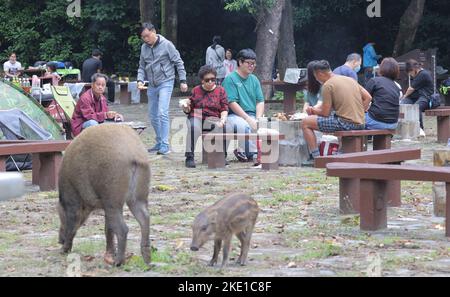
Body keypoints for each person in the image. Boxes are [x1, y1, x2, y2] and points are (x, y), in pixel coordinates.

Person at [301, 60, 372, 166]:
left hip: (345, 123)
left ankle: (317, 158)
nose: (317, 80)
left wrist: (313, 110)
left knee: (306, 123)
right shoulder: (350, 80)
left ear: (320, 74)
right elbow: (368, 97)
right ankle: (338, 152)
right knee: (335, 117)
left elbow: (325, 113)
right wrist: (360, 112)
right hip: (361, 123)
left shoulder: (328, 85)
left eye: (316, 77)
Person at [137, 22, 188, 155]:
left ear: (154, 31)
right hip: (152, 84)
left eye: (147, 35)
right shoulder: (144, 48)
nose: (146, 39)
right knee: (153, 115)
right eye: (143, 37)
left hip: (166, 81)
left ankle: (165, 145)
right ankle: (159, 141)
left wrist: (183, 80)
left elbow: (178, 62)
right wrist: (139, 80)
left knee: (162, 112)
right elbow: (142, 66)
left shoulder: (167, 45)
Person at [222, 48, 264, 165]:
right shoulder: (230, 79)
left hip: (252, 114)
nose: (252, 66)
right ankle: (253, 154)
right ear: (240, 62)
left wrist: (258, 118)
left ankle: (246, 152)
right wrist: (248, 118)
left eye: (254, 63)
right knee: (245, 126)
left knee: (271, 125)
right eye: (249, 63)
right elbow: (231, 103)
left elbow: (260, 101)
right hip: (233, 115)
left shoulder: (254, 79)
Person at [182, 65, 229, 168]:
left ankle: (221, 156)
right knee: (194, 127)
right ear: (202, 80)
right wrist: (186, 107)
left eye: (213, 79)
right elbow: (190, 108)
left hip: (213, 116)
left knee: (224, 127)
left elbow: (224, 108)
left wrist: (222, 120)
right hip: (197, 114)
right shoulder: (196, 90)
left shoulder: (221, 90)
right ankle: (189, 157)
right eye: (207, 80)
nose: (211, 82)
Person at [365, 58, 402, 130]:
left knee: (355, 120)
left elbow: (362, 98)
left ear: (381, 68)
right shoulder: (396, 86)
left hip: (375, 121)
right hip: (393, 123)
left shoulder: (374, 81)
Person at [400, 59, 434, 135]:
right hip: (415, 97)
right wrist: (404, 99)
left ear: (413, 69)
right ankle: (405, 128)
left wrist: (404, 96)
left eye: (409, 72)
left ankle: (420, 129)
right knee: (403, 104)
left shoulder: (423, 74)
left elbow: (411, 88)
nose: (409, 75)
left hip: (426, 97)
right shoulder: (416, 74)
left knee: (416, 107)